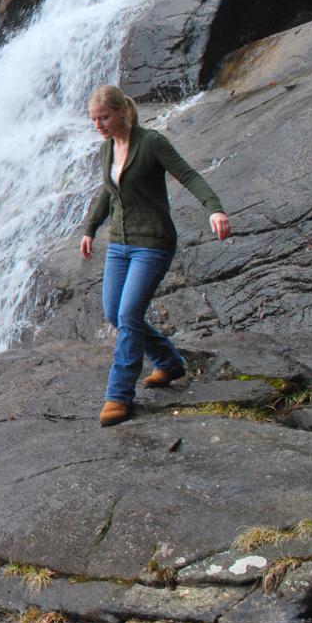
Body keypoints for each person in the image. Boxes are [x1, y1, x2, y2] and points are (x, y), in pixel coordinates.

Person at [80, 85, 231, 427]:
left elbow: (189, 175)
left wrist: (215, 208)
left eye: (104, 117)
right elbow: (108, 192)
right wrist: (90, 229)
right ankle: (170, 362)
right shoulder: (107, 149)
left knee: (129, 314)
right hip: (119, 245)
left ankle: (118, 396)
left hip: (153, 243)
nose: (99, 125)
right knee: (114, 313)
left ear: (121, 112)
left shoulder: (151, 143)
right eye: (94, 119)